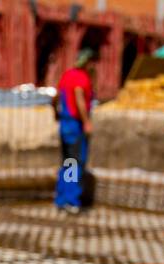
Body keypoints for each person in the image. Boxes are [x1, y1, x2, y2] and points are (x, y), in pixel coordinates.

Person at [54, 48, 95, 214]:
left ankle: (62, 197)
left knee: (66, 162)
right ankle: (71, 199)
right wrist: (86, 122)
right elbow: (78, 97)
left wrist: (55, 114)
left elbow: (55, 97)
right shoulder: (81, 78)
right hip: (75, 125)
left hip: (64, 123)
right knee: (74, 163)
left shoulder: (67, 75)